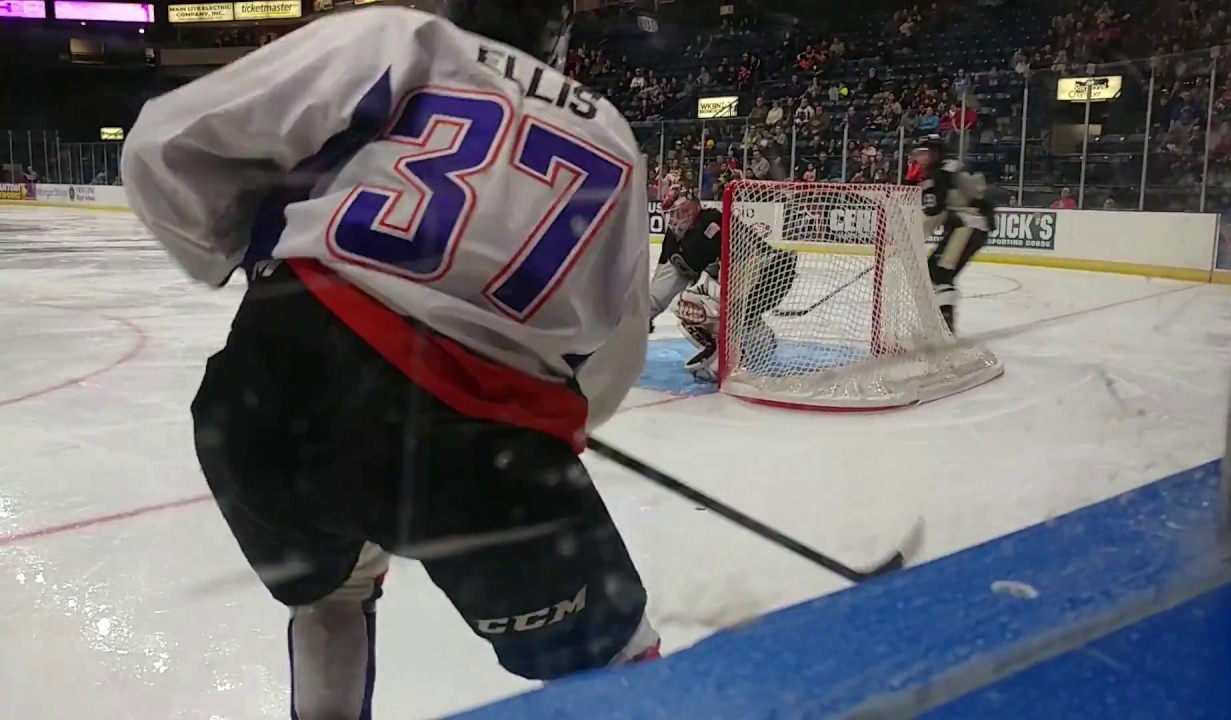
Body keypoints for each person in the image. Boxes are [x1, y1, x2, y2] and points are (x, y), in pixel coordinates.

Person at [120, 2, 660, 717]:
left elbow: (161, 144)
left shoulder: (400, 37)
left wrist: (235, 255)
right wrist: (546, 441)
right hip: (475, 457)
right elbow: (612, 347)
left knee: (333, 595)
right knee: (617, 659)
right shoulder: (614, 136)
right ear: (559, 33)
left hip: (276, 391)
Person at [671, 219, 797, 382]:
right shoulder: (714, 269)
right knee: (685, 311)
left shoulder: (742, 265)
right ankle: (724, 348)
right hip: (733, 316)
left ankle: (728, 351)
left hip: (738, 317)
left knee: (683, 307)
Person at [912, 136, 995, 332]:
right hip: (971, 226)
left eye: (924, 153)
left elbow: (934, 212)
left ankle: (945, 327)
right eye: (918, 153)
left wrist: (912, 238)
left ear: (935, 153)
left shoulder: (939, 173)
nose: (920, 158)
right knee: (938, 272)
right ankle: (943, 324)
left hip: (967, 226)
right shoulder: (952, 167)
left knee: (939, 274)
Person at [649, 187, 722, 328]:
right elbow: (663, 267)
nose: (673, 220)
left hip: (730, 280)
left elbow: (701, 264)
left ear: (689, 210)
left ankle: (720, 338)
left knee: (688, 304)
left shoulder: (712, 220)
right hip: (704, 278)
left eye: (676, 213)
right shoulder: (673, 235)